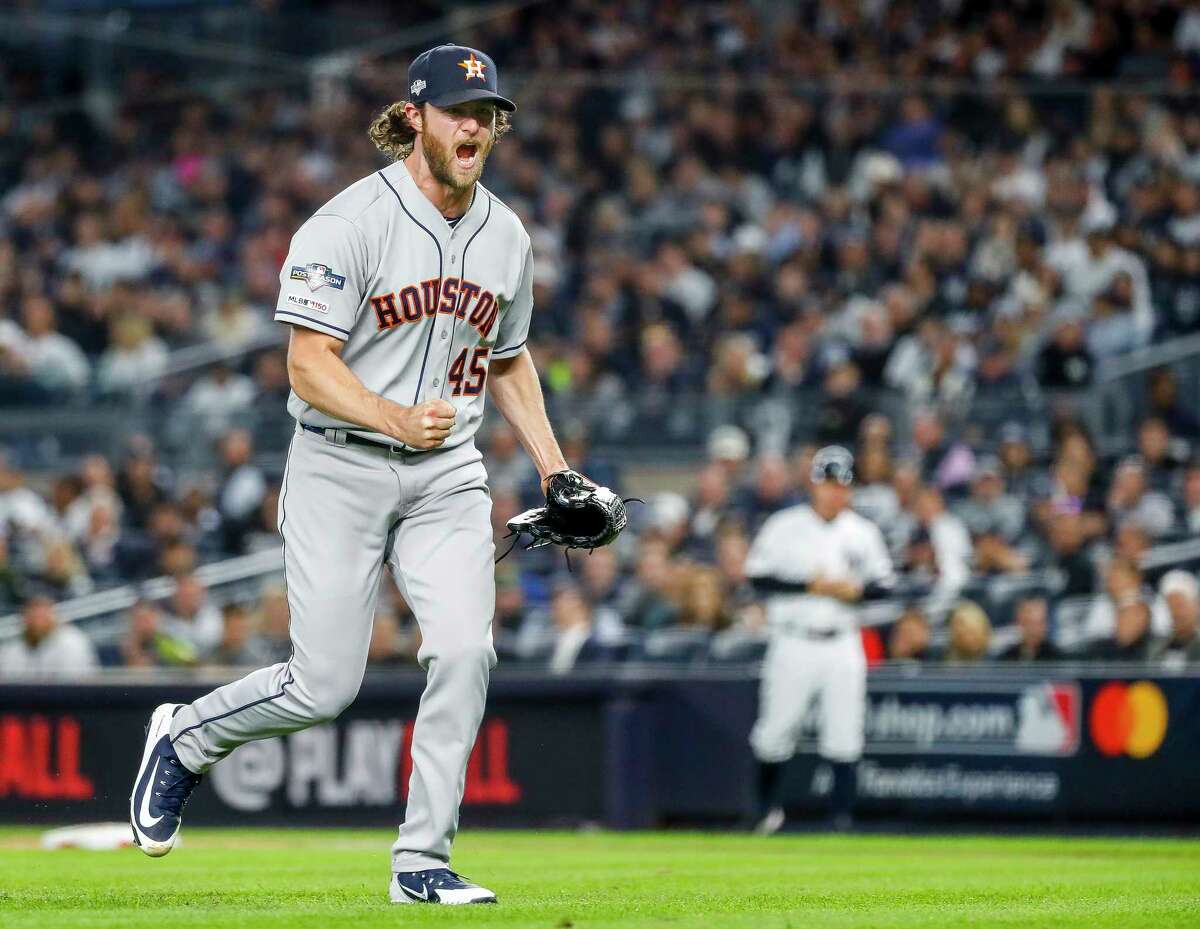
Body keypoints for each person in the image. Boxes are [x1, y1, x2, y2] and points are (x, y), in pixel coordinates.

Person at [128, 45, 615, 906]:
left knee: (466, 650)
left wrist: (554, 466)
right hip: (338, 462)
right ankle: (186, 736)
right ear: (416, 117)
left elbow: (506, 357)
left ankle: (422, 859)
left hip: (447, 472)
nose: (475, 127)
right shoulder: (347, 223)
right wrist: (390, 416)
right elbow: (306, 363)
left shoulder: (507, 235)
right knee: (324, 685)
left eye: (487, 114)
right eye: (459, 111)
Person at [744, 446, 895, 834]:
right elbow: (757, 576)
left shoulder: (862, 531)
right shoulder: (784, 525)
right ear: (813, 485)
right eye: (827, 484)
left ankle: (840, 821)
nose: (833, 492)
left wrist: (856, 591)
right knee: (775, 730)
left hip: (842, 640)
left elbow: (885, 585)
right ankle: (764, 813)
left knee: (845, 733)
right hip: (793, 639)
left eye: (840, 485)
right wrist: (808, 586)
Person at [0, 596, 98, 677]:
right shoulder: (13, 646)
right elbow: (7, 680)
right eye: (32, 616)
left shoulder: (72, 641)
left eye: (42, 616)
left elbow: (74, 684)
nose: (37, 622)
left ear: (53, 617)